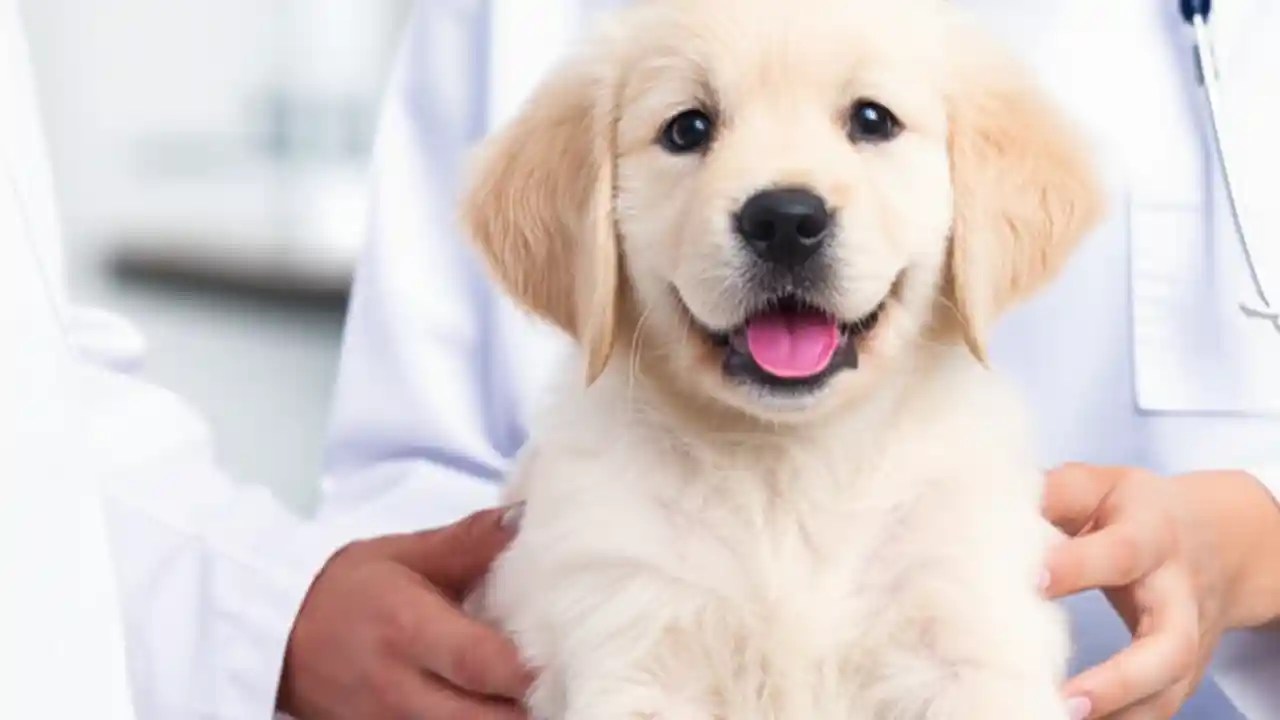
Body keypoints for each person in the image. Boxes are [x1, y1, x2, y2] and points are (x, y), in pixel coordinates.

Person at [318, 1, 1280, 719]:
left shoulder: (968, 488)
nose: (783, 204)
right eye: (688, 129)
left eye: (871, 120)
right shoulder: (598, 507)